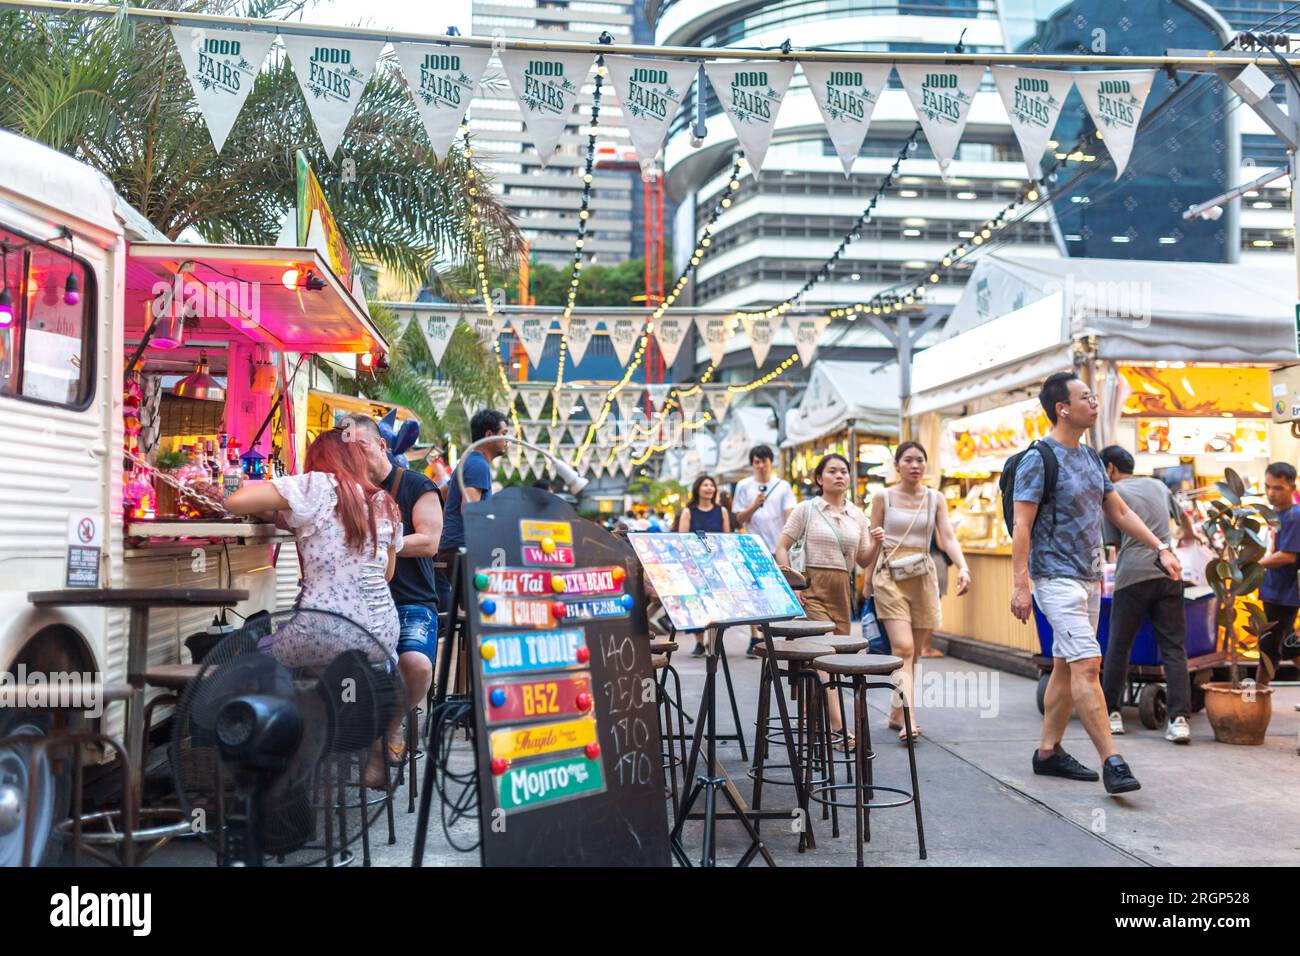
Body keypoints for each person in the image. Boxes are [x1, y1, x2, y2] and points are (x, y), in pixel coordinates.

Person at [1011, 372, 1181, 796]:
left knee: (1067, 669)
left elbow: (1119, 512)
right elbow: (1022, 524)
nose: (1094, 402)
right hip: (1055, 579)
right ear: (1062, 409)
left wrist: (1160, 546)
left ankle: (1048, 752)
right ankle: (1113, 761)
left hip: (1089, 580)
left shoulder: (1089, 458)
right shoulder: (1039, 458)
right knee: (1088, 664)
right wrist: (1020, 584)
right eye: (1085, 397)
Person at [225, 427, 402, 787]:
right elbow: (387, 573)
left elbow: (235, 501)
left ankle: (280, 760)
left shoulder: (316, 485)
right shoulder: (385, 501)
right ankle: (337, 738)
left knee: (253, 659)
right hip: (381, 634)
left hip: (321, 631)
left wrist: (228, 479)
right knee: (328, 667)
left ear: (319, 460)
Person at [342, 413, 445, 767]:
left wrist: (381, 542)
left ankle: (390, 725)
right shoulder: (344, 492)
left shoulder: (417, 485)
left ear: (382, 445)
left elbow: (430, 541)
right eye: (348, 449)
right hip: (360, 603)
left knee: (415, 665)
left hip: (410, 602)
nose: (355, 454)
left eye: (362, 445)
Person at [864, 441, 971, 742]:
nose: (915, 465)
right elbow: (873, 541)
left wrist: (963, 567)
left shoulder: (935, 498)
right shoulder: (882, 497)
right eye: (908, 460)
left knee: (915, 654)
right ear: (896, 465)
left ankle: (897, 712)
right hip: (889, 577)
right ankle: (910, 719)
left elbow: (947, 537)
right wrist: (867, 580)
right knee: (904, 649)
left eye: (920, 460)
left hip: (923, 577)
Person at [1099, 445, 1197, 743]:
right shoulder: (1158, 485)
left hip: (1132, 577)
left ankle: (1112, 714)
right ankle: (1179, 721)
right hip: (1168, 573)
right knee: (1173, 648)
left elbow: (1113, 546)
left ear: (1111, 468)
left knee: (1119, 646)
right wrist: (1182, 541)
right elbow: (1186, 522)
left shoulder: (1113, 494)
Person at [776, 454, 872, 749]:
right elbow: (782, 547)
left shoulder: (857, 514)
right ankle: (838, 727)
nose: (839, 476)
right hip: (811, 587)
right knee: (824, 657)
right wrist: (792, 586)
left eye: (844, 471)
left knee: (836, 658)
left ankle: (813, 718)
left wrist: (878, 542)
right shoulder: (806, 509)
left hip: (842, 590)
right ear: (819, 479)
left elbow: (864, 559)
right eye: (832, 471)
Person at [436, 409, 509, 612]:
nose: (507, 439)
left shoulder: (469, 460)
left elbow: (443, 492)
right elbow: (470, 510)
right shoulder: (478, 464)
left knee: (475, 611)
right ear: (489, 435)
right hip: (463, 550)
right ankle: (471, 644)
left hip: (454, 547)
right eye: (504, 433)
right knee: (482, 612)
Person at [733, 445, 797, 656]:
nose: (761, 466)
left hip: (777, 547)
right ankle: (756, 636)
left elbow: (789, 515)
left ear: (771, 462)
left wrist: (789, 543)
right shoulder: (743, 485)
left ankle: (782, 634)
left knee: (779, 590)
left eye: (764, 461)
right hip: (752, 548)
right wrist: (754, 505)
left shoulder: (783, 486)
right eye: (756, 462)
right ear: (752, 464)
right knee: (755, 594)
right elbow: (739, 519)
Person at [1256, 461, 1300, 687]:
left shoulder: (1294, 516)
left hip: (1285, 594)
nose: (1271, 493)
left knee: (1268, 648)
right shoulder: (1275, 515)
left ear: (1292, 487)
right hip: (1273, 591)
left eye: (1278, 488)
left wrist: (1255, 566)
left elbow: (1288, 556)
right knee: (1289, 645)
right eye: (1268, 487)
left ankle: (1255, 699)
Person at [678, 474, 732, 655]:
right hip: (694, 565)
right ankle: (700, 642)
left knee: (716, 603)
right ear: (697, 488)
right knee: (696, 602)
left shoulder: (721, 511)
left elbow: (726, 537)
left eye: (711, 485)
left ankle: (714, 641)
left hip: (715, 564)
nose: (709, 488)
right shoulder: (688, 512)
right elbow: (682, 539)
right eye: (705, 485)